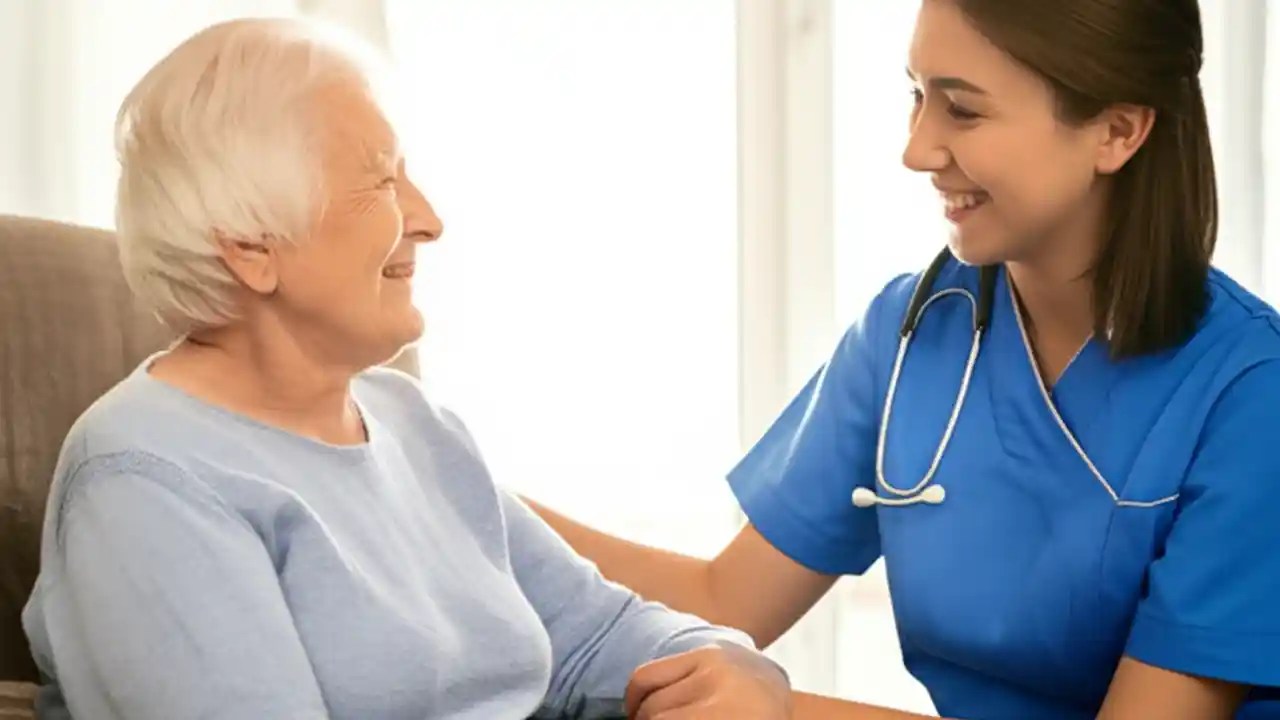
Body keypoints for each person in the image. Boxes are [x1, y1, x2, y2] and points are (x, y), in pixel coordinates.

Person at [19, 18, 792, 720]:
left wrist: (731, 663)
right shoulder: (143, 478)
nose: (427, 218)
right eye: (383, 179)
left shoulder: (410, 422)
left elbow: (598, 634)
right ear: (251, 243)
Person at [527, 1, 1280, 718]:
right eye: (916, 97)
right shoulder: (914, 332)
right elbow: (725, 602)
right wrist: (447, 491)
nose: (916, 149)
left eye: (963, 108)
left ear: (1117, 131)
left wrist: (779, 709)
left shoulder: (1249, 396)